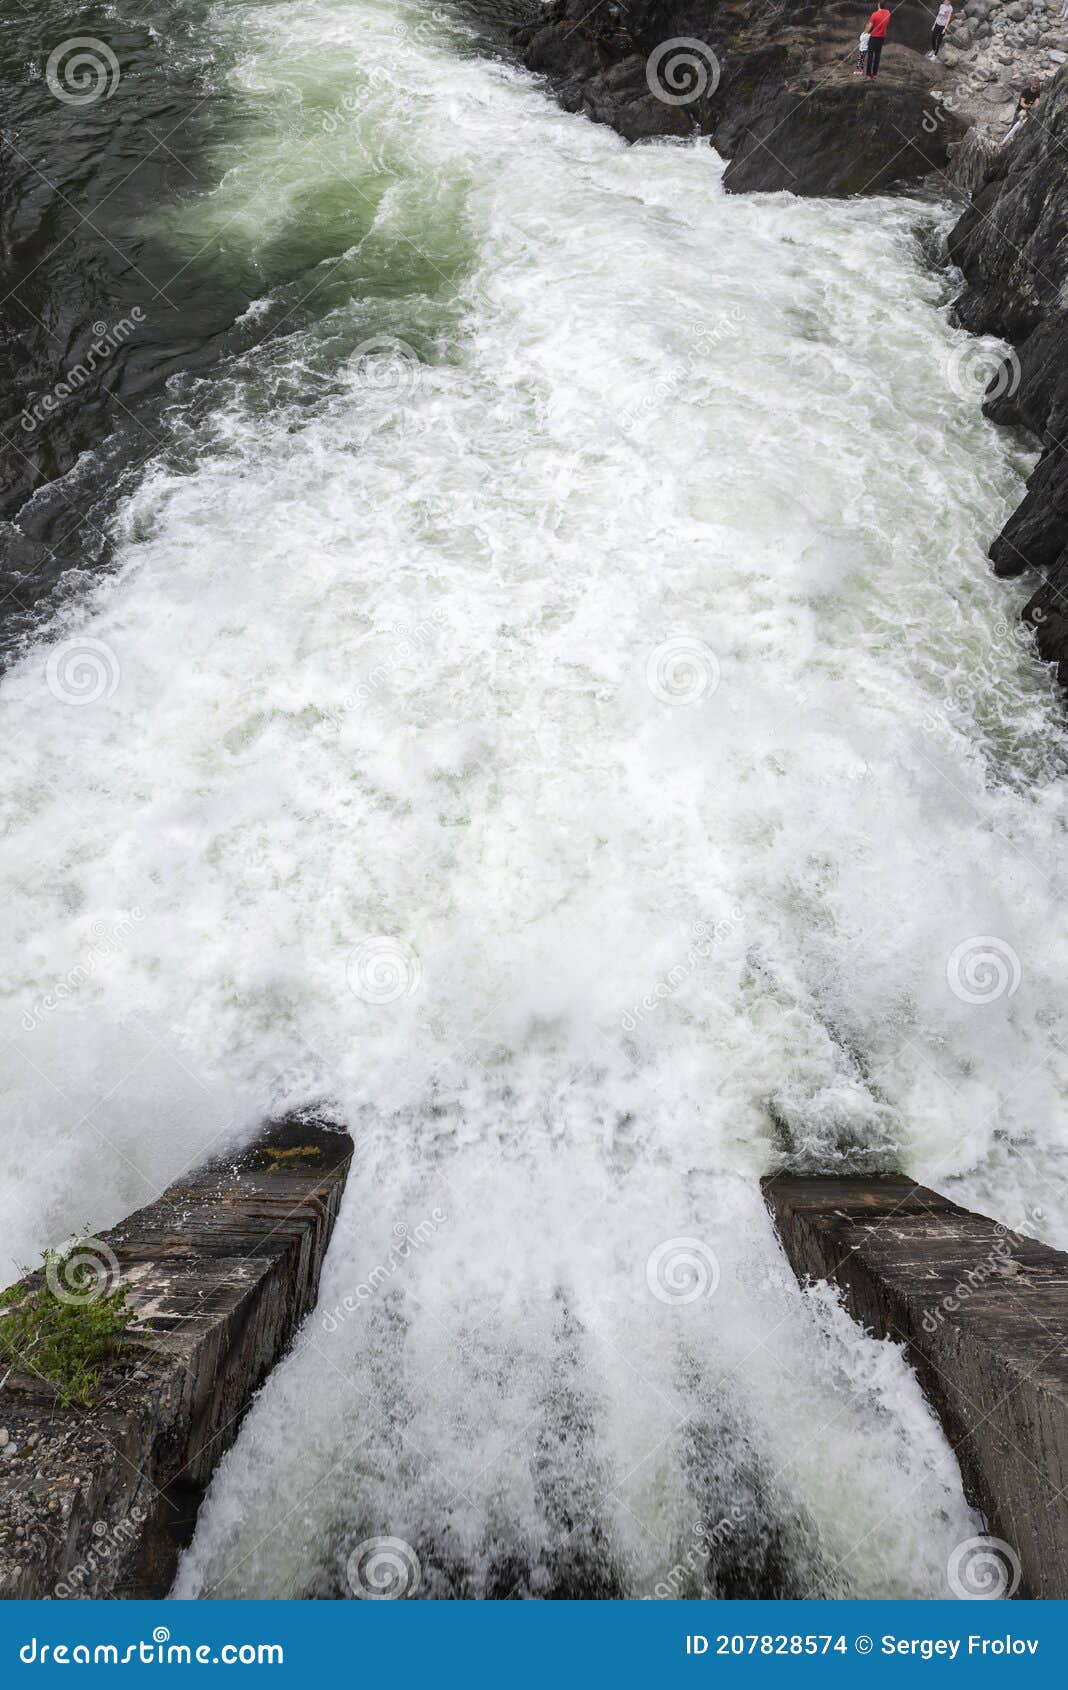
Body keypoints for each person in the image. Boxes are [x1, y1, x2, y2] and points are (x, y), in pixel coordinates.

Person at [865, 6, 891, 78]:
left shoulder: (874, 14)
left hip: (873, 37)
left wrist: (865, 32)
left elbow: (869, 27)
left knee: (870, 56)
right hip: (881, 38)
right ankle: (875, 74)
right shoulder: (888, 13)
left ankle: (868, 74)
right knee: (877, 56)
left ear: (878, 4)